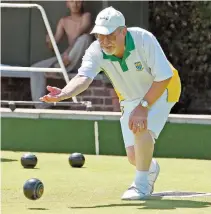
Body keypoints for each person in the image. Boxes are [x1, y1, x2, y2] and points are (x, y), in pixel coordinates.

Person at [40, 7, 181, 200]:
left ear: (123, 31)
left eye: (110, 35)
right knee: (134, 156)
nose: (104, 41)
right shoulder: (96, 50)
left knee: (141, 126)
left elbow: (163, 77)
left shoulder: (143, 39)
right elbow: (84, 77)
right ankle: (150, 168)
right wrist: (64, 93)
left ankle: (141, 186)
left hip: (162, 88)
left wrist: (144, 106)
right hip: (131, 97)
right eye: (100, 35)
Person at [30, 0, 93, 108]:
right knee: (36, 69)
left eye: (78, 1)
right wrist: (49, 41)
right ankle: (40, 106)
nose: (75, 4)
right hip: (67, 58)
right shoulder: (64, 21)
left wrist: (67, 53)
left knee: (85, 38)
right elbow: (53, 44)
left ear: (82, 3)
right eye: (72, 1)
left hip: (80, 59)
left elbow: (79, 34)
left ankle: (58, 68)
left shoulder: (86, 16)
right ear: (67, 4)